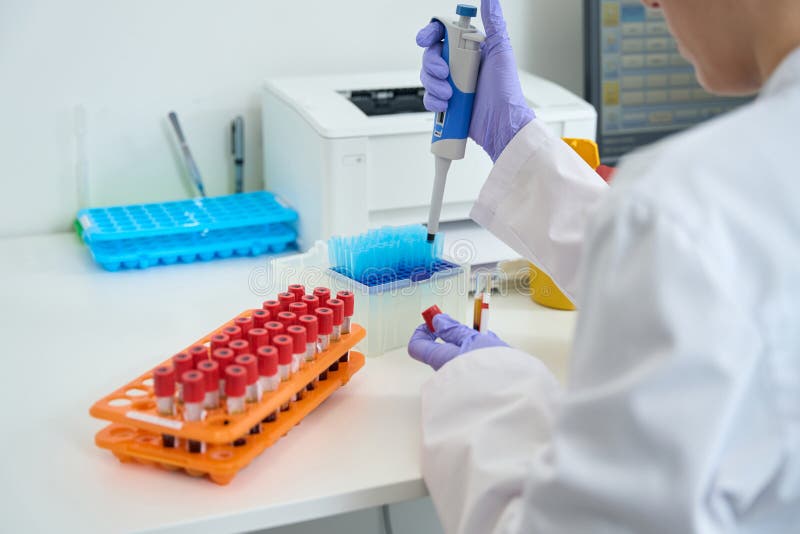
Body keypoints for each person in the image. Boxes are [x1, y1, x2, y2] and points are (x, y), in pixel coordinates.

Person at [407, 0, 800, 532]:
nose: (649, 2)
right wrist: (510, 135)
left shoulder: (687, 207)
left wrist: (492, 389)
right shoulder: (708, 209)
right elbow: (712, 274)